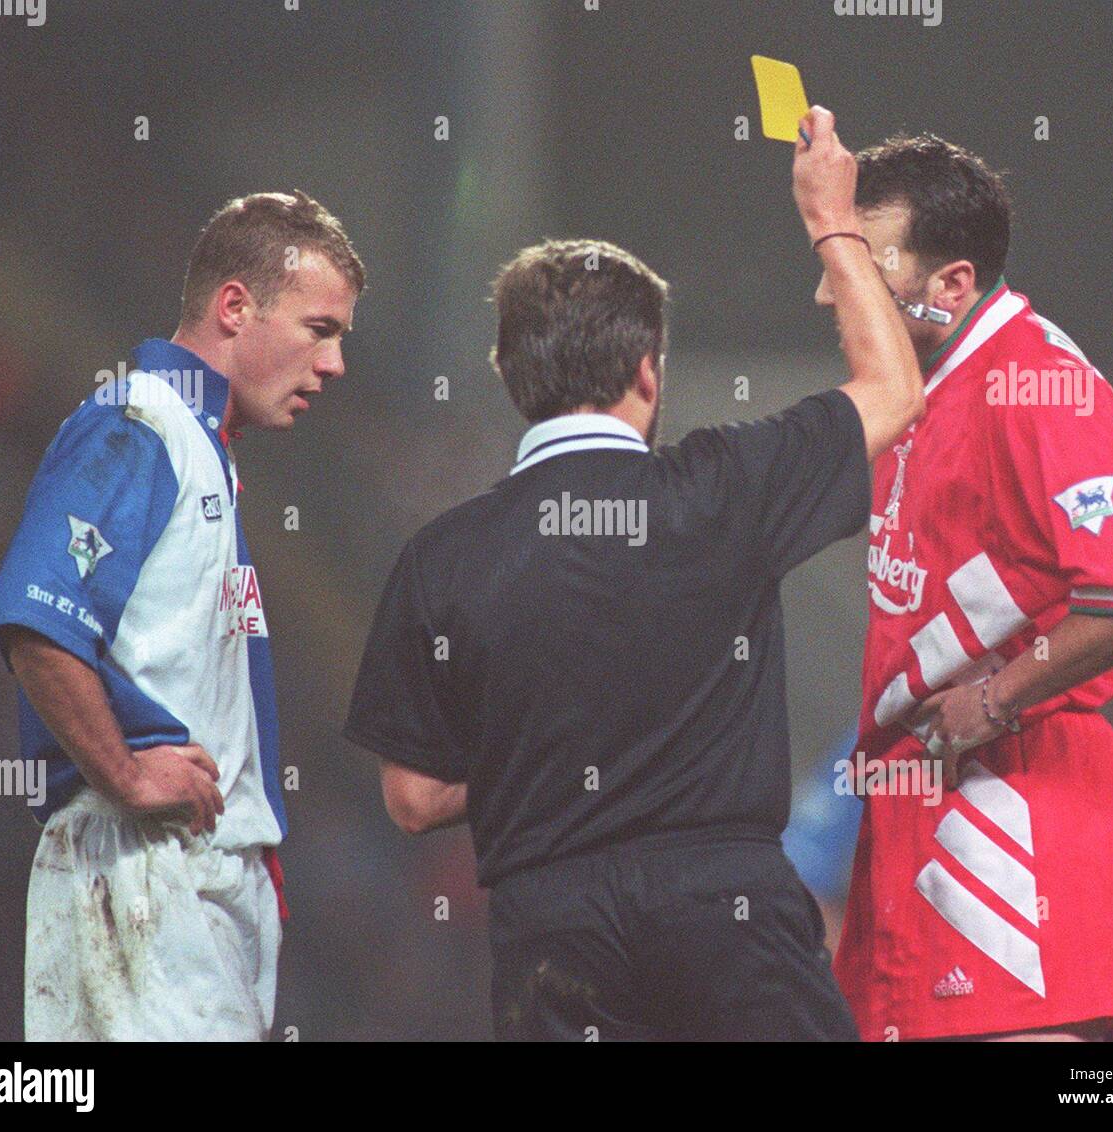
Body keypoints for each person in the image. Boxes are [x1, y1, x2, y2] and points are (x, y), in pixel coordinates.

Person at [345, 107, 924, 1040]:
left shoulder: (440, 559)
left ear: (509, 375)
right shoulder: (727, 487)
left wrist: (562, 772)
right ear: (648, 372)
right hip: (727, 918)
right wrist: (831, 222)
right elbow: (894, 391)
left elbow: (412, 799)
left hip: (550, 932)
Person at [824, 134, 1113, 1041]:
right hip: (923, 800)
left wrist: (995, 699)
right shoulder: (916, 389)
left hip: (1013, 808)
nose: (831, 293)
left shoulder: (1033, 382)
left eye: (864, 266)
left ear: (951, 284)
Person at [0, 190, 365, 1040]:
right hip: (144, 873)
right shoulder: (141, 421)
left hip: (180, 889)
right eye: (321, 329)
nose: (335, 363)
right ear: (236, 306)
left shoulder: (199, 447)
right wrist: (125, 773)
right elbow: (32, 608)